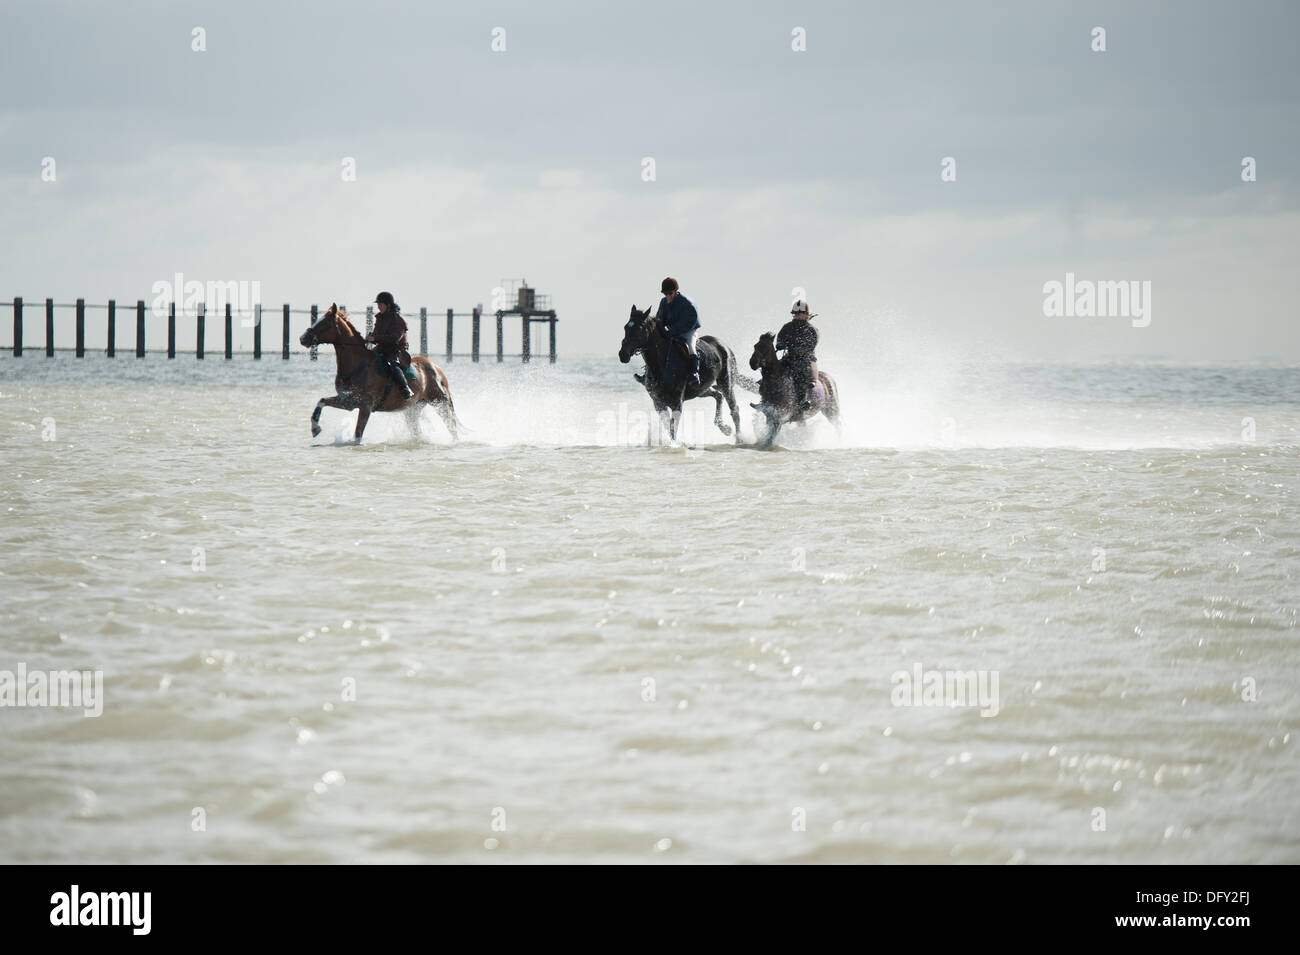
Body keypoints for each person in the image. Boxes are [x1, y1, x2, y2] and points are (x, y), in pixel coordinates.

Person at [367, 291, 413, 399]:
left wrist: (375, 338)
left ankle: (406, 389)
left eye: (380, 304)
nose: (378, 307)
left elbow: (394, 339)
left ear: (388, 305)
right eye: (378, 304)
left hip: (396, 351)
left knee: (392, 364)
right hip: (382, 349)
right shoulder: (380, 317)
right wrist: (370, 338)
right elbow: (377, 334)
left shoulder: (398, 320)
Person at [656, 276, 701, 386]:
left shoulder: (687, 303)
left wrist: (671, 332)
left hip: (689, 330)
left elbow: (689, 321)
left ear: (676, 291)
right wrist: (660, 327)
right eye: (665, 294)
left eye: (670, 293)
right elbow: (660, 318)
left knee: (690, 346)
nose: (667, 296)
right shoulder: (663, 302)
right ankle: (650, 373)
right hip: (672, 331)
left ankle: (695, 373)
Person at [776, 299, 819, 411]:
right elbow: (780, 338)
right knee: (773, 372)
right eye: (796, 314)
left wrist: (794, 347)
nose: (798, 316)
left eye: (800, 314)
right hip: (789, 358)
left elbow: (810, 346)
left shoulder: (811, 329)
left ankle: (806, 400)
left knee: (806, 378)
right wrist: (780, 344)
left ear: (806, 315)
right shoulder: (787, 327)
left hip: (806, 360)